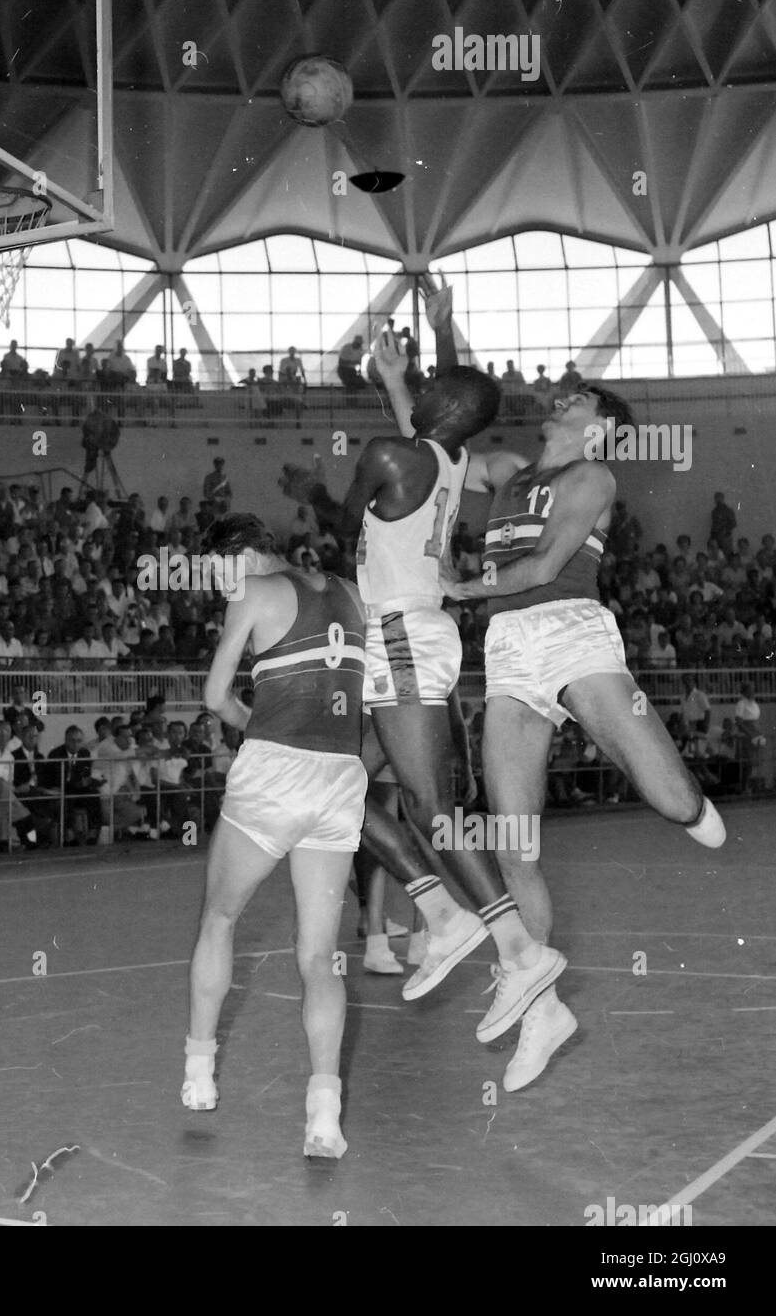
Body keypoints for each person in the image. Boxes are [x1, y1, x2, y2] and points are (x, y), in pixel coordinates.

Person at [282, 282, 565, 1086]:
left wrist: (307, 491)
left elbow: (341, 528)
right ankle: (450, 921)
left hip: (399, 633)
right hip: (410, 634)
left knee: (428, 808)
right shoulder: (445, 455)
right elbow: (449, 403)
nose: (416, 385)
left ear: (435, 404)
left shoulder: (391, 452)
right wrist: (435, 344)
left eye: (427, 383)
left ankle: (510, 943)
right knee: (335, 785)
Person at [442, 382, 725, 1089]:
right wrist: (395, 380)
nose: (557, 399)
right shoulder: (508, 469)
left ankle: (688, 804)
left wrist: (456, 587)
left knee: (668, 801)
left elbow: (538, 569)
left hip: (571, 632)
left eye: (574, 398)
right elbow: (433, 446)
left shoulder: (592, 475)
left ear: (599, 428)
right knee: (513, 844)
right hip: (508, 650)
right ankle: (542, 1011)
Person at [185, 512, 366, 1159]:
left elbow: (213, 696)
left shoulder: (252, 592)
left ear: (239, 555)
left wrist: (246, 720)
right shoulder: (350, 590)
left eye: (216, 570)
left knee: (220, 916)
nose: (217, 584)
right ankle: (323, 1116)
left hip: (276, 770)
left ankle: (199, 1074)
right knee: (318, 957)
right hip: (341, 775)